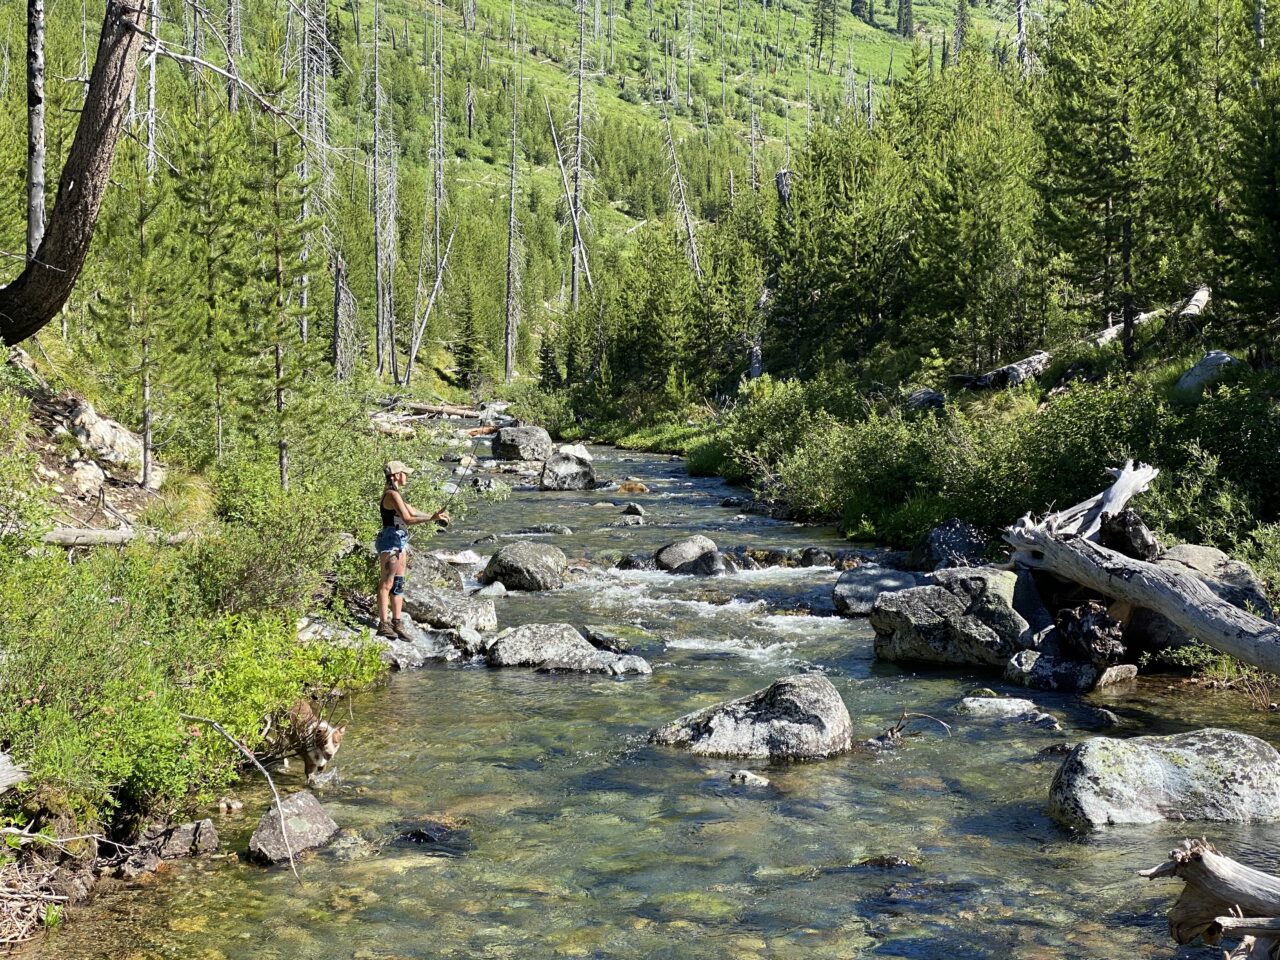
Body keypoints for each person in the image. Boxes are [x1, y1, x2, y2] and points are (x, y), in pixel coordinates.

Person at [376, 460, 450, 640]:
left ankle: (397, 622)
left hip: (399, 540)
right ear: (396, 475)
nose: (407, 475)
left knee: (398, 583)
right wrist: (430, 519)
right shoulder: (391, 494)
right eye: (404, 472)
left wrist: (434, 517)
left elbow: (412, 510)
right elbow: (408, 519)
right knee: (387, 582)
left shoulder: (396, 494)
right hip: (390, 540)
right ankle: (383, 624)